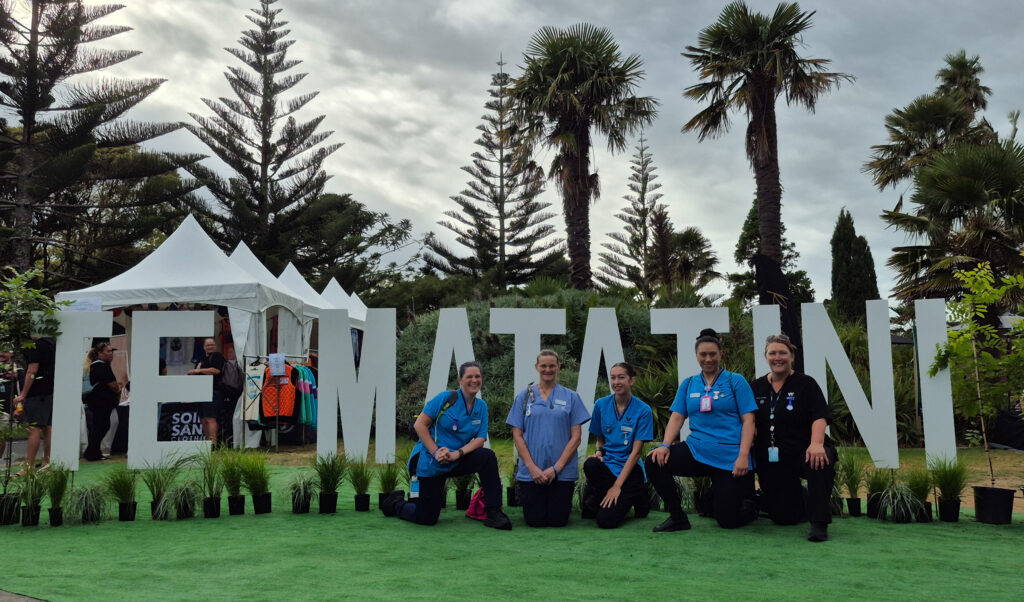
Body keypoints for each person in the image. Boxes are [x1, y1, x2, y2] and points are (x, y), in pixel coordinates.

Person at [647, 328, 759, 531]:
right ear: (697, 356)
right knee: (654, 461)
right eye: (703, 354)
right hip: (696, 450)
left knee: (728, 521)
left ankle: (751, 505)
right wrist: (664, 445)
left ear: (720, 355)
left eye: (713, 354)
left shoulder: (736, 381)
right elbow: (677, 417)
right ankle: (678, 517)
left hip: (729, 456)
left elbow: (749, 420)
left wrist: (743, 455)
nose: (708, 359)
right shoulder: (689, 384)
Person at [381, 361, 512, 530]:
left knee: (487, 457)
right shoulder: (446, 399)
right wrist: (437, 452)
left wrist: (456, 454)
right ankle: (396, 504)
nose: (474, 380)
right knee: (426, 518)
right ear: (460, 380)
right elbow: (419, 425)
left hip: (455, 459)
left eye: (477, 376)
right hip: (431, 461)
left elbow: (480, 439)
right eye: (469, 376)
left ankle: (494, 512)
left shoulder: (482, 406)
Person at [751, 334, 837, 542]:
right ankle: (805, 499)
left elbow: (820, 416)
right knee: (783, 518)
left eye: (783, 353)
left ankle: (819, 522)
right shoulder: (755, 387)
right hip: (773, 456)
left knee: (819, 460)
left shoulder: (806, 384)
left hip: (805, 449)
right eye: (773, 353)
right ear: (766, 357)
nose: (777, 357)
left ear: (792, 357)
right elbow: (749, 421)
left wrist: (816, 444)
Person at [506, 349, 590, 527]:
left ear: (559, 367)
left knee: (558, 521)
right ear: (537, 367)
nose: (548, 369)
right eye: (543, 366)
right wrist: (532, 468)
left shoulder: (571, 397)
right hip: (532, 472)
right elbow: (517, 434)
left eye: (552, 366)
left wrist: (556, 468)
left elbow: (576, 437)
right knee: (535, 521)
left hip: (562, 472)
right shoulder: (524, 397)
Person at [583, 362, 654, 529]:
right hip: (609, 465)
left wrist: (617, 486)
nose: (616, 382)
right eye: (613, 378)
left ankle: (638, 495)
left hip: (631, 469)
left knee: (605, 521)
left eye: (621, 377)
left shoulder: (643, 410)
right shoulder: (601, 405)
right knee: (591, 464)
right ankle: (604, 498)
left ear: (631, 381)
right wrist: (599, 452)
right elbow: (600, 439)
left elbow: (636, 453)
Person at [12, 337, 57, 474]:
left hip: (38, 391)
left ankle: (29, 466)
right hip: (51, 389)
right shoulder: (52, 344)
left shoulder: (36, 345)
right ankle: (47, 461)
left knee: (34, 428)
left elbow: (32, 371)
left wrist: (23, 394)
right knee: (48, 427)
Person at [84, 341, 122, 461]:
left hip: (100, 402)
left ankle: (93, 451)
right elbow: (113, 385)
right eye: (108, 351)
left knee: (101, 426)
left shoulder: (97, 365)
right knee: (101, 426)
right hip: (101, 402)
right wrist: (118, 388)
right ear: (100, 353)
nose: (111, 354)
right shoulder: (101, 366)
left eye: (112, 351)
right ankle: (92, 452)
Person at [187, 338, 224, 445]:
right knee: (203, 419)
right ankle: (207, 442)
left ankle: (213, 443)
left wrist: (199, 370)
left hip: (213, 391)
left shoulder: (217, 356)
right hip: (201, 392)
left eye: (212, 344)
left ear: (215, 346)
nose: (210, 347)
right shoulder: (202, 359)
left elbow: (216, 370)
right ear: (204, 347)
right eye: (208, 345)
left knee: (210, 418)